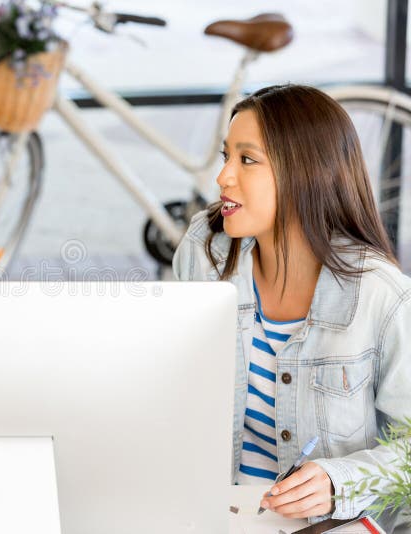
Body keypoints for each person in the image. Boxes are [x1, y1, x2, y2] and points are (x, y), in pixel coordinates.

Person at [173, 84, 410, 528]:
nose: (223, 176)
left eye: (247, 160)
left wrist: (340, 481)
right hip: (216, 514)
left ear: (307, 173)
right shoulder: (203, 252)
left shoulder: (381, 294)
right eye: (227, 157)